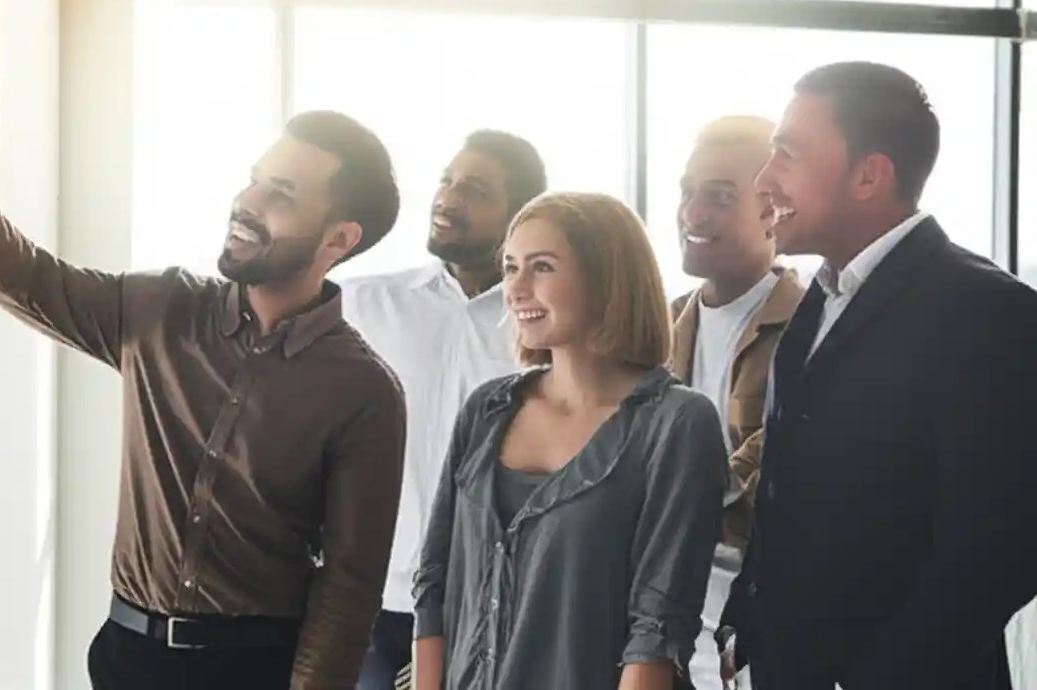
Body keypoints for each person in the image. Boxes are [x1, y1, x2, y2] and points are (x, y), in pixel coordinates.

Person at [0, 72, 408, 689]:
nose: (248, 201)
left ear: (339, 239)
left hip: (254, 669)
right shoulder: (161, 310)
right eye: (254, 178)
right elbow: (22, 274)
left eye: (282, 195)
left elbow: (348, 587)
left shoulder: (365, 392)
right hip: (126, 659)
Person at [720, 61, 1037, 689]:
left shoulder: (990, 312)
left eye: (786, 154)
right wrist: (743, 624)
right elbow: (791, 486)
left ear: (869, 174)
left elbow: (1002, 545)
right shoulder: (817, 301)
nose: (764, 180)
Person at [412, 192, 727, 690]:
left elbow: (657, 625)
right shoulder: (487, 409)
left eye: (541, 267)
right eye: (510, 266)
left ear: (608, 279)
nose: (513, 288)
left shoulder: (678, 423)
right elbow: (434, 586)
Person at [342, 130, 547, 690]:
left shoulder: (544, 330)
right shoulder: (365, 304)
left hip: (492, 606)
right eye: (446, 181)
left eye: (475, 189)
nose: (448, 198)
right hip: (371, 603)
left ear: (517, 215)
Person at [667, 116, 804, 688]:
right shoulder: (659, 325)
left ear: (771, 207)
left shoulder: (813, 328)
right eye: (687, 192)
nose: (693, 213)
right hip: (669, 616)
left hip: (762, 625)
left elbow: (778, 463)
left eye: (720, 197)